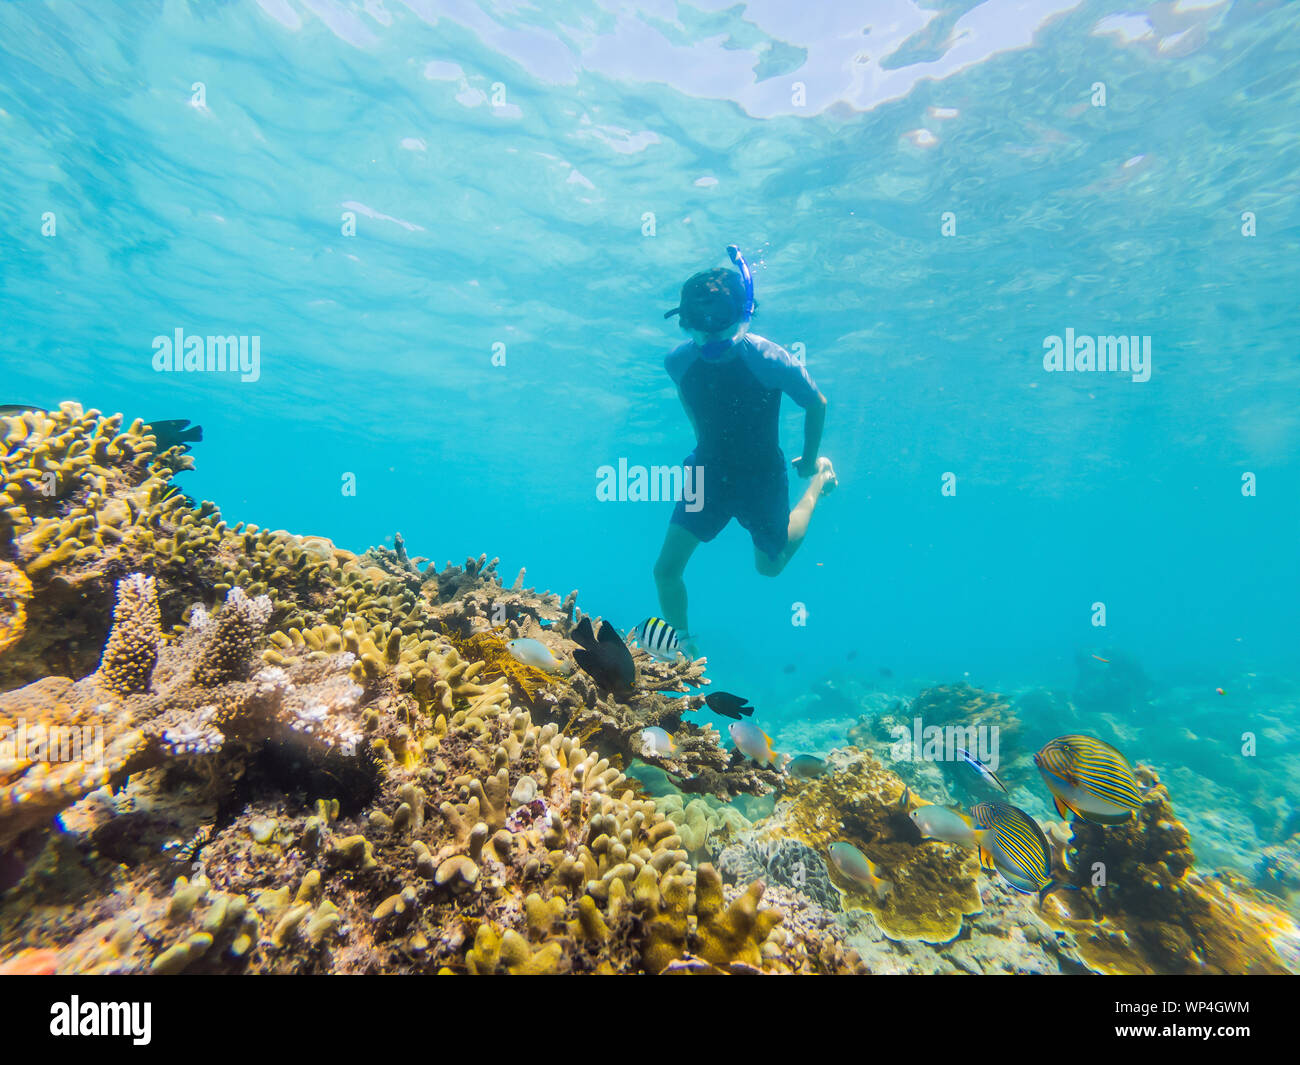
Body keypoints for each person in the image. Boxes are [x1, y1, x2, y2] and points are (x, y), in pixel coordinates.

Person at [654, 246, 835, 656]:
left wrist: (809, 461)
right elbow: (692, 403)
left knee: (769, 568)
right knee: (665, 570)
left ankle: (820, 483)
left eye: (722, 327)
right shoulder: (677, 362)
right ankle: (681, 651)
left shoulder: (772, 359)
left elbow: (816, 403)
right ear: (685, 323)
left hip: (761, 476)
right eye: (700, 329)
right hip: (707, 473)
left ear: (743, 316)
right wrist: (703, 445)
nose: (711, 339)